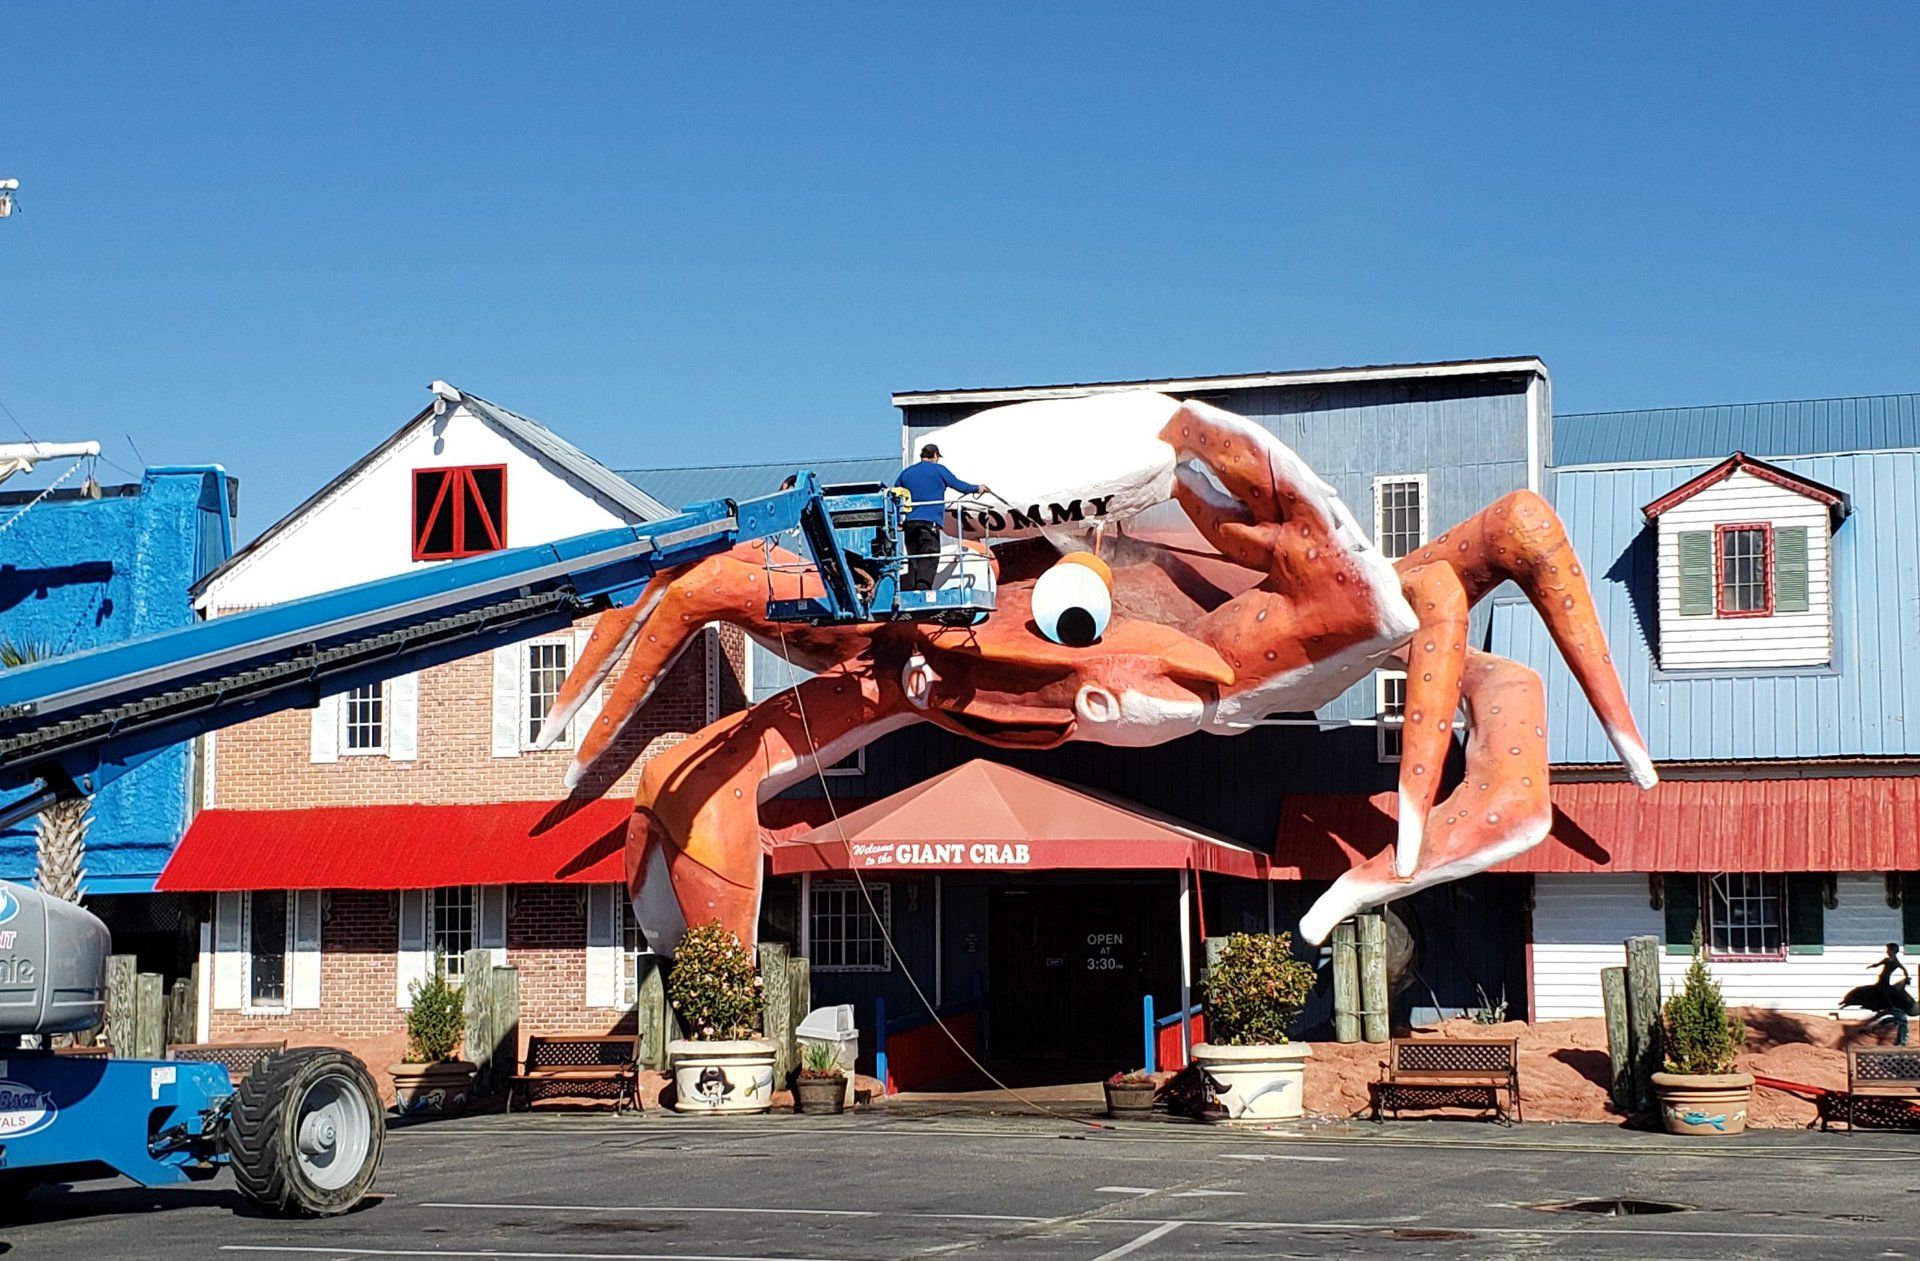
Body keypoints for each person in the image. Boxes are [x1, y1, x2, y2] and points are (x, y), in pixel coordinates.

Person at [894, 443, 990, 592]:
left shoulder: (906, 473)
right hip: (929, 522)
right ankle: (923, 592)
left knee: (914, 558)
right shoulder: (938, 470)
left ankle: (912, 592)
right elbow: (960, 486)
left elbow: (894, 495)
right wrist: (978, 488)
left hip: (910, 524)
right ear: (935, 456)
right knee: (930, 556)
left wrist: (898, 521)